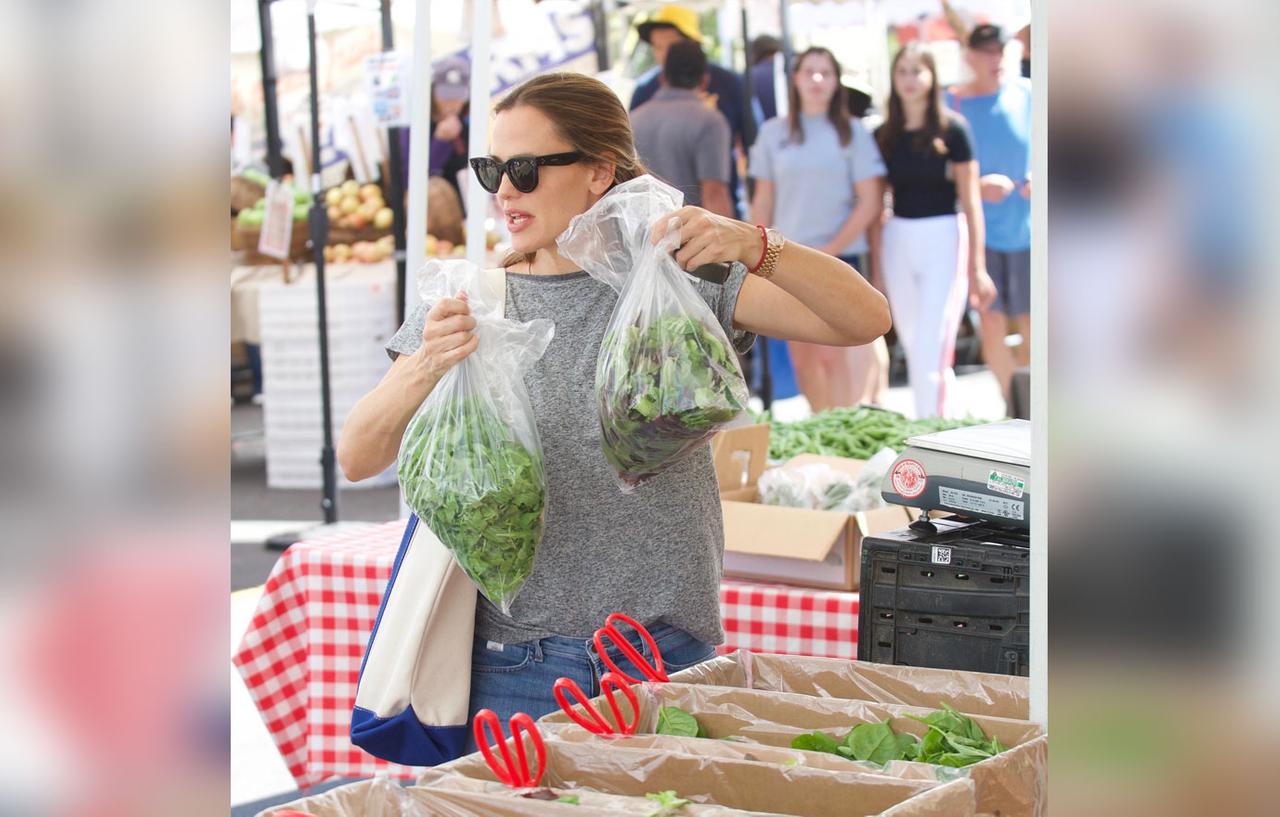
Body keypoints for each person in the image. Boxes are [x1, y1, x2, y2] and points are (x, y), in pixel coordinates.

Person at [337, 72, 890, 751]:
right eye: (491, 169)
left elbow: (863, 320)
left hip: (668, 656)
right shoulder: (469, 301)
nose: (505, 189)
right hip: (516, 669)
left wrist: (753, 244)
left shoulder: (675, 283)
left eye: (525, 168)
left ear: (599, 171)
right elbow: (359, 454)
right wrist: (426, 362)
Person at [748, 47, 889, 412]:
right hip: (787, 262)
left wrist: (829, 250)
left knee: (835, 357)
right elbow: (763, 199)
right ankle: (822, 428)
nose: (816, 80)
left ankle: (843, 431)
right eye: (808, 71)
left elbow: (870, 201)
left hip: (840, 258)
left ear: (836, 81)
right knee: (805, 361)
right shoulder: (772, 132)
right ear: (794, 79)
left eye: (825, 72)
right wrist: (757, 247)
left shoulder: (853, 133)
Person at [873, 43, 997, 418]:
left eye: (917, 71)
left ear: (932, 76)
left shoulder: (954, 129)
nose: (910, 80)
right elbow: (876, 204)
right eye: (903, 71)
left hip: (944, 235)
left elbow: (971, 199)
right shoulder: (883, 134)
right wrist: (876, 265)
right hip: (898, 238)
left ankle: (926, 429)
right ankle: (946, 422)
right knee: (913, 341)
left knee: (932, 340)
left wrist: (977, 265)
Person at [945, 24, 1032, 409]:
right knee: (992, 323)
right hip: (978, 235)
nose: (995, 59)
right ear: (969, 56)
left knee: (1035, 325)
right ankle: (1014, 405)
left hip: (1030, 229)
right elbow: (936, 172)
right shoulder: (953, 106)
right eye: (986, 51)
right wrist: (978, 186)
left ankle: (1033, 405)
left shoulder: (1029, 94)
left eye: (1000, 50)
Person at [630, 4, 746, 216]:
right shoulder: (643, 91)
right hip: (697, 230)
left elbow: (748, 143)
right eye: (657, 46)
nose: (665, 54)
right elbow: (714, 190)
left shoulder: (730, 83)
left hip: (664, 229)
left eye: (672, 45)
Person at [399, 55, 471, 206]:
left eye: (457, 96)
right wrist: (440, 141)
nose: (451, 103)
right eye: (445, 95)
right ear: (432, 92)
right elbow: (409, 182)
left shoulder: (466, 124)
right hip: (435, 217)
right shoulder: (414, 129)